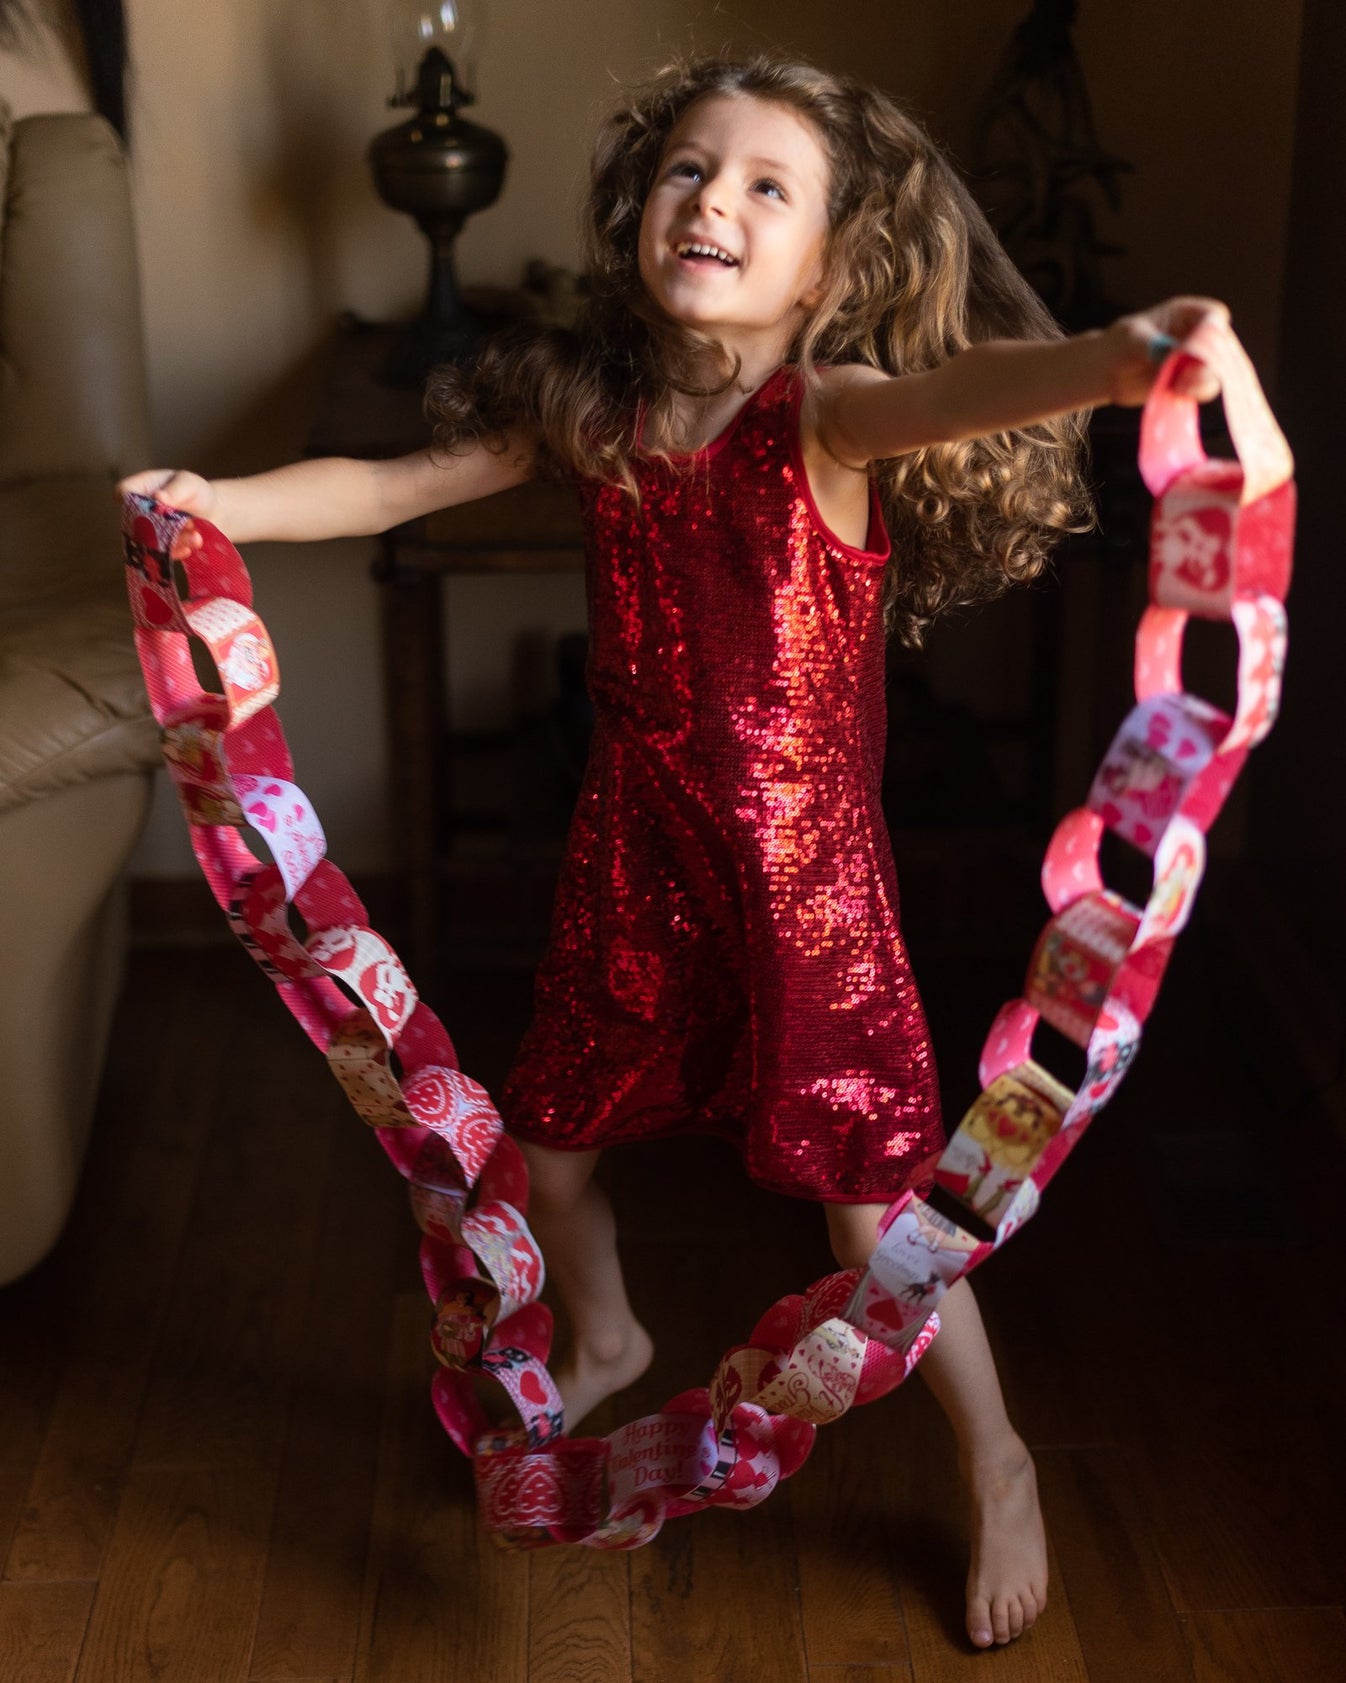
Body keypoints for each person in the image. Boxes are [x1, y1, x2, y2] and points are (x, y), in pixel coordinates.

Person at [121, 52, 1227, 1651]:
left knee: (874, 1219)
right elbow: (383, 486)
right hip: (630, 866)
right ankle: (613, 1335)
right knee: (550, 1152)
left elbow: (969, 391)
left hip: (807, 907)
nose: (708, 202)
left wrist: (1126, 360)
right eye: (686, 172)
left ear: (837, 263)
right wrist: (208, 498)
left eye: (765, 186)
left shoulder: (828, 416)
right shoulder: (599, 409)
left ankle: (997, 1456)